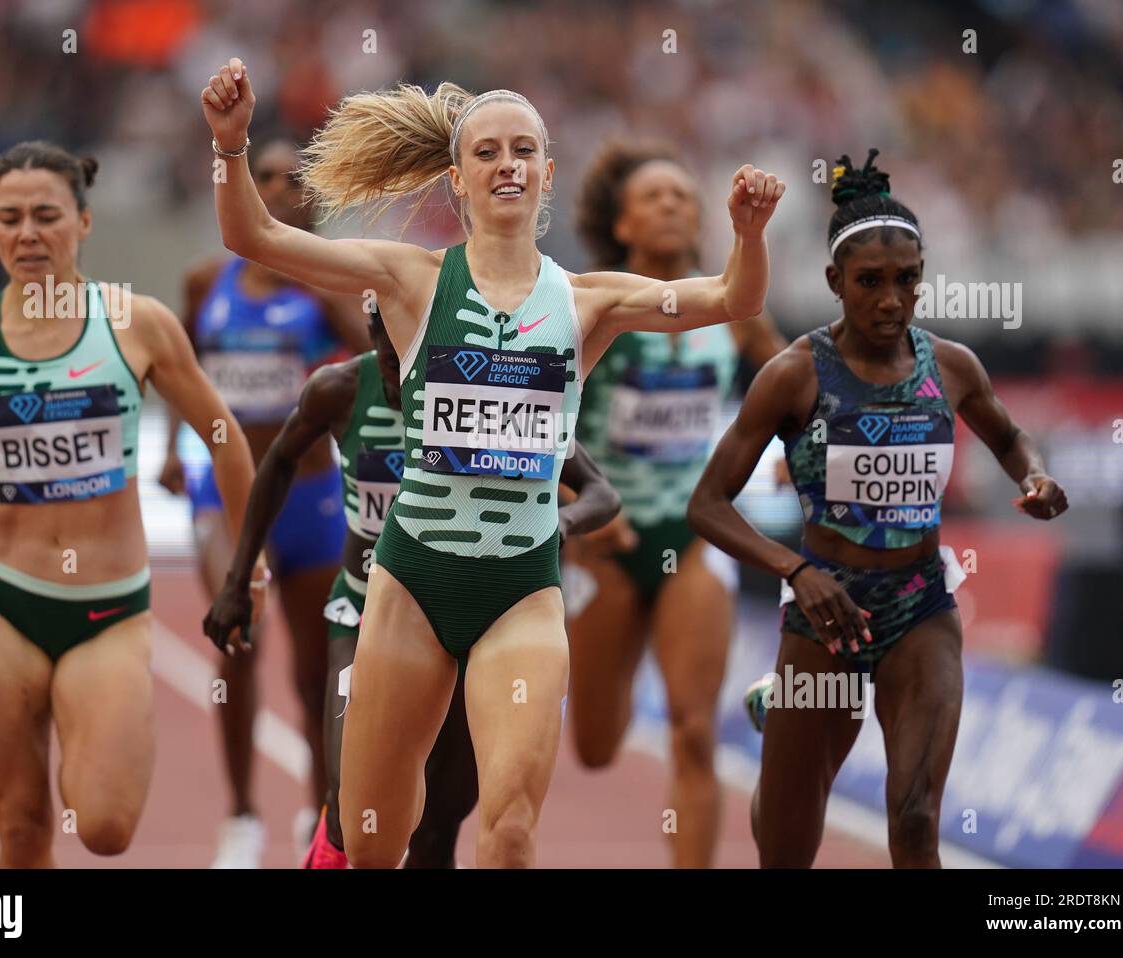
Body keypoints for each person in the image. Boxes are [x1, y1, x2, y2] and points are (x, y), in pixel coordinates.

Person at [200, 57, 784, 867]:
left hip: (521, 589)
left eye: (523, 151)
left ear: (546, 174)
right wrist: (229, 147)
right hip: (411, 583)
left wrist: (748, 236)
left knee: (507, 831)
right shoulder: (409, 280)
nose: (506, 165)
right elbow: (251, 236)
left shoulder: (588, 301)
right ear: (457, 179)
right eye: (486, 153)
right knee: (375, 839)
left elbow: (734, 299)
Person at [0, 141, 265, 866]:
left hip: (107, 610)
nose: (28, 234)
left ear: (83, 223)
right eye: (10, 218)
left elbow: (223, 436)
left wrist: (247, 565)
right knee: (20, 828)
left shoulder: (136, 326)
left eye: (47, 216)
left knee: (106, 823)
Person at [687, 149, 1068, 867]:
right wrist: (795, 570)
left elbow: (1011, 438)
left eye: (907, 281)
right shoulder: (793, 375)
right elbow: (706, 506)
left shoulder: (952, 367)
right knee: (789, 845)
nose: (891, 300)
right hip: (824, 610)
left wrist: (1035, 477)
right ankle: (783, 720)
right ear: (835, 282)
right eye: (870, 283)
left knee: (917, 817)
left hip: (920, 605)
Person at [206, 307, 623, 867]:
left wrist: (556, 524)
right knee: (356, 812)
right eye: (390, 358)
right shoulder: (340, 390)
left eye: (417, 362)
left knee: (438, 823)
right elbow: (278, 461)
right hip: (363, 612)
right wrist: (238, 576)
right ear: (369, 335)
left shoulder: (484, 396)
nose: (404, 380)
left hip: (462, 617)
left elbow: (600, 492)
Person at [565, 140, 788, 867]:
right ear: (622, 226)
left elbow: (795, 389)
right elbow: (545, 418)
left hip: (692, 533)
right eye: (652, 197)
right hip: (605, 541)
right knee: (595, 746)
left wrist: (799, 452)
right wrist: (582, 500)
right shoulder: (593, 306)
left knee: (696, 732)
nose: (670, 205)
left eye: (682, 196)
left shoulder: (733, 310)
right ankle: (623, 663)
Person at [157, 137, 369, 867]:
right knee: (239, 631)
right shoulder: (204, 280)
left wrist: (313, 285)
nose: (281, 187)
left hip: (310, 488)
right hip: (227, 488)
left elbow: (371, 352)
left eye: (293, 180)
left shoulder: (323, 284)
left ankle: (316, 811)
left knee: (317, 673)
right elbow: (177, 363)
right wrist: (166, 452)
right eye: (268, 176)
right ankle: (243, 817)